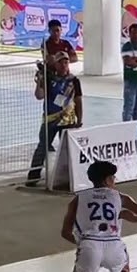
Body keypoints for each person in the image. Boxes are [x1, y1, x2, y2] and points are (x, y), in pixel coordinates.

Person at [27, 52, 82, 186]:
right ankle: (33, 176)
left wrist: (79, 119)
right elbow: (39, 96)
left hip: (68, 120)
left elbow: (78, 100)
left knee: (70, 149)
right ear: (55, 65)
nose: (64, 65)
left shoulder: (73, 80)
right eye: (61, 63)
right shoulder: (49, 79)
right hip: (50, 119)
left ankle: (74, 176)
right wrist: (40, 81)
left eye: (66, 62)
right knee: (42, 147)